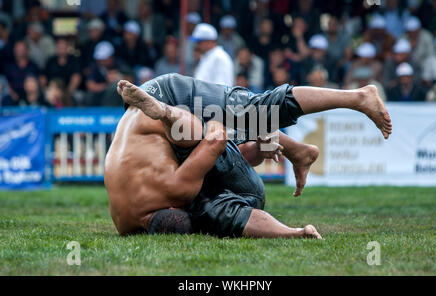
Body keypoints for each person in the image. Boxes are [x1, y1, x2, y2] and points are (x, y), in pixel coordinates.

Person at [104, 73, 391, 237]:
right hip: (139, 122)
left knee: (253, 112)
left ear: (172, 209)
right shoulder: (125, 223)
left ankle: (358, 97)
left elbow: (212, 134)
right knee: (218, 151)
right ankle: (297, 150)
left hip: (168, 97)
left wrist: (165, 112)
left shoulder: (173, 189)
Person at [191, 23, 234, 87]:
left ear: (210, 41)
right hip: (201, 97)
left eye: (199, 42)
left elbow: (223, 89)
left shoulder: (220, 57)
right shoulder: (206, 57)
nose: (196, 46)